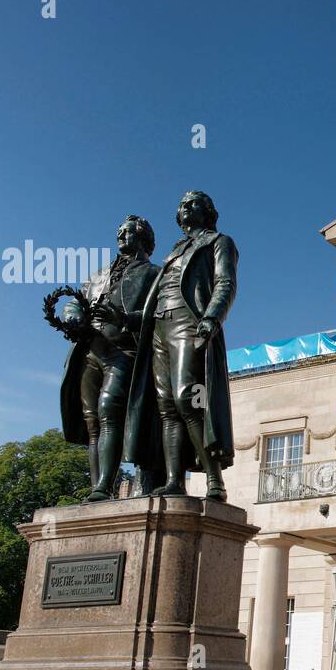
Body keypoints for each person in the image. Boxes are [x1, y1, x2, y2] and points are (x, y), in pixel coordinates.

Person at [125, 191, 238, 500]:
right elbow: (157, 295)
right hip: (159, 327)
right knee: (166, 406)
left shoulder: (219, 241)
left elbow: (226, 283)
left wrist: (212, 317)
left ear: (208, 212)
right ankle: (175, 480)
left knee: (188, 397)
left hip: (188, 321)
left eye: (193, 203)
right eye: (182, 204)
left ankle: (214, 479)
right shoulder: (175, 250)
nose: (185, 208)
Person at [57, 215, 162, 501]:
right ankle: (98, 489)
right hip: (90, 350)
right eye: (119, 231)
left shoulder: (154, 273)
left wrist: (125, 318)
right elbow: (74, 302)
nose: (121, 236)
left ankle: (104, 486)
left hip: (124, 352)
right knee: (92, 422)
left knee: (109, 412)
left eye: (128, 232)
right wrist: (73, 318)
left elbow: (161, 315)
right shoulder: (98, 276)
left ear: (143, 238)